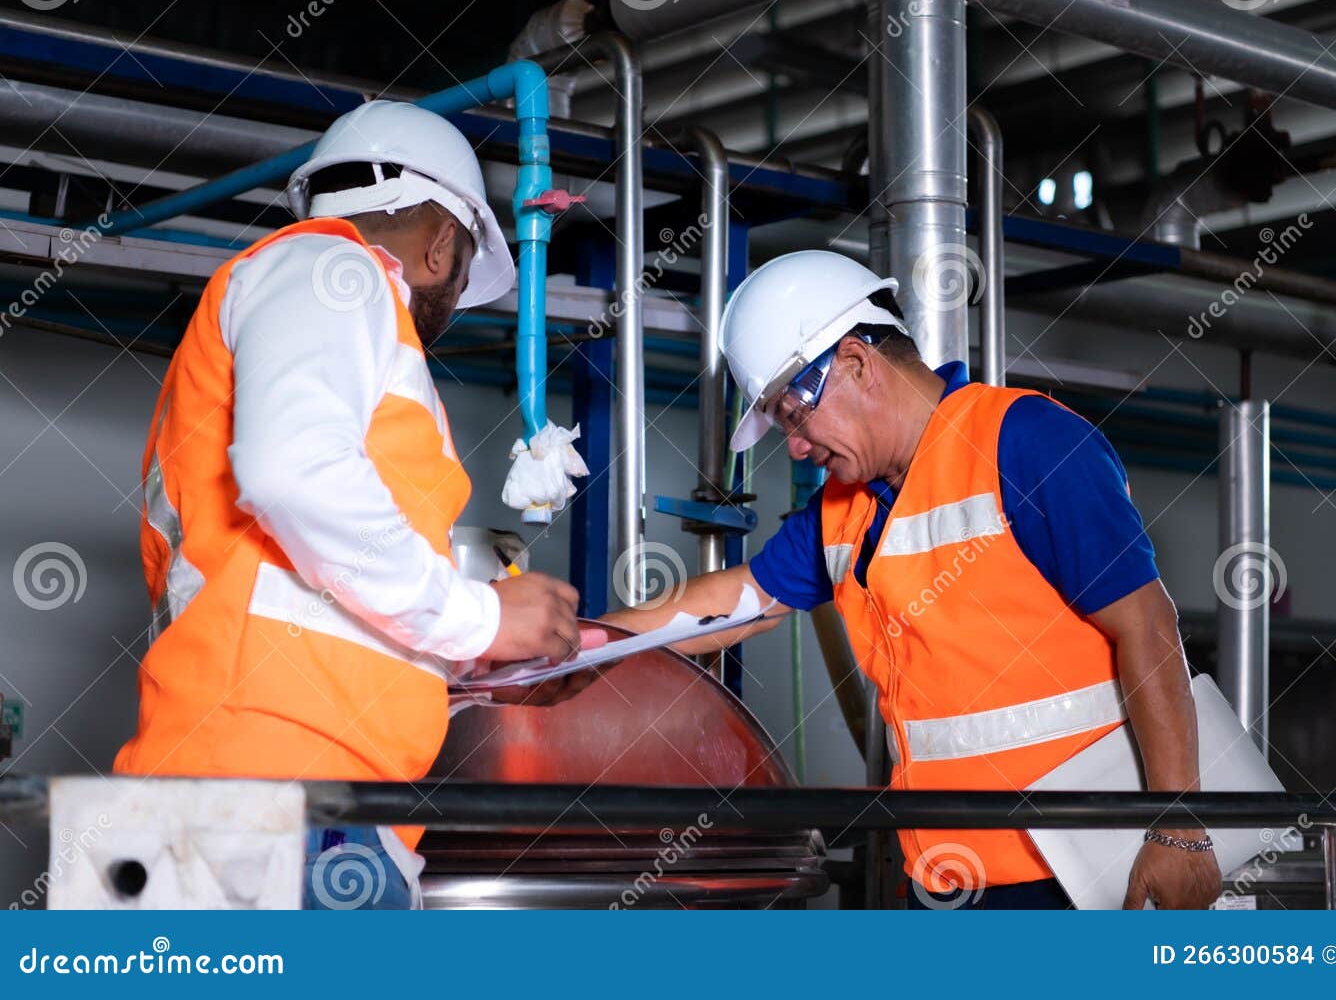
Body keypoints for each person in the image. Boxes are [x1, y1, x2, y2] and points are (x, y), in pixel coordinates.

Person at [587, 249, 1221, 910]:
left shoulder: (1026, 442)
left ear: (857, 363)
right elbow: (737, 601)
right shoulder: (842, 508)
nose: (796, 446)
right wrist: (588, 644)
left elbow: (1147, 625)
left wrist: (1179, 828)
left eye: (794, 413)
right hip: (947, 880)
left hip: (1084, 878)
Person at [113, 100, 598, 909]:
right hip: (279, 802)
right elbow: (293, 473)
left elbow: (303, 592)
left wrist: (471, 660)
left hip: (260, 799)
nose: (444, 315)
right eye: (462, 269)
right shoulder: (333, 268)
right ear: (442, 243)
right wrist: (478, 620)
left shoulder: (294, 291)